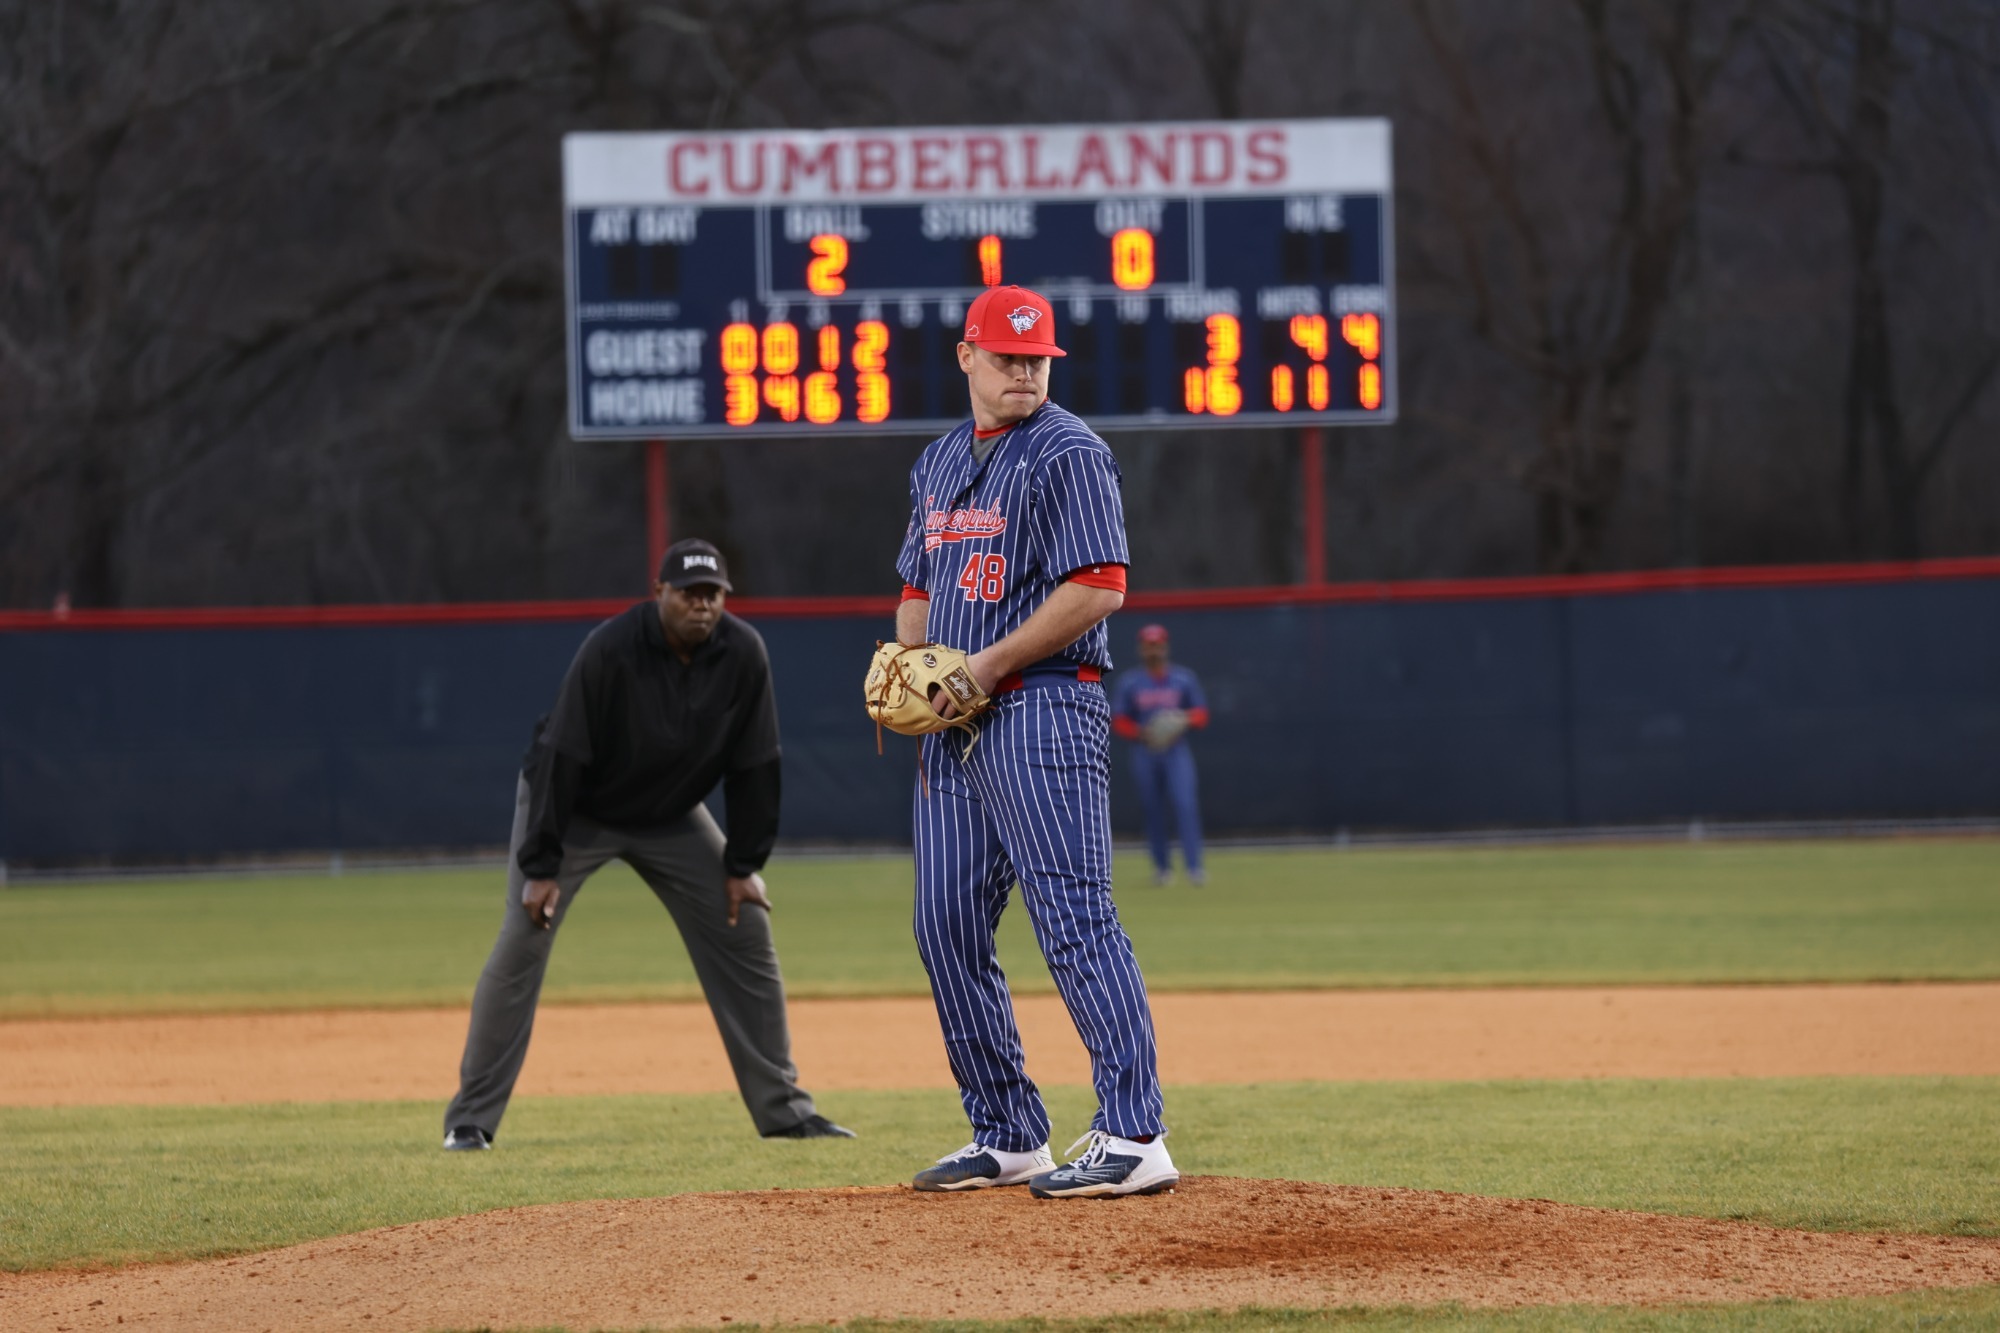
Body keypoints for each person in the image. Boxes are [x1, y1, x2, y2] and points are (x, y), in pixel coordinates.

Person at [891, 284, 1176, 1198]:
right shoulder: (937, 463)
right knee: (944, 924)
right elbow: (915, 583)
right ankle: (1010, 1130)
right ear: (967, 355)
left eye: (1037, 357)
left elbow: (1098, 588)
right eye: (1008, 355)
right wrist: (915, 663)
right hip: (956, 723)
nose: (1024, 370)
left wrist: (983, 666)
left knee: (1073, 913)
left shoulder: (1070, 452)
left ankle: (1135, 1133)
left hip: (1045, 704)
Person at [441, 538, 851, 1149]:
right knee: (524, 937)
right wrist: (542, 863)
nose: (701, 605)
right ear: (658, 593)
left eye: (712, 593)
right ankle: (470, 1121)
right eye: (688, 593)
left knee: (747, 928)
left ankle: (786, 1111)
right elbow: (564, 753)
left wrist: (743, 865)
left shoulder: (743, 653)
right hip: (574, 806)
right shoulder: (611, 647)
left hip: (668, 814)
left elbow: (756, 765)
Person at [1111, 624, 1210, 886]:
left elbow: (1201, 714)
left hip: (1176, 751)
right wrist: (1141, 732)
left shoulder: (1183, 679)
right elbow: (1118, 719)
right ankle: (1162, 868)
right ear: (1141, 648)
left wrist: (1182, 719)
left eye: (1157, 644)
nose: (1153, 649)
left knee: (1185, 805)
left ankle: (1194, 867)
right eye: (1148, 645)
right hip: (1146, 750)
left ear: (1165, 646)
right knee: (1153, 809)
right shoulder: (1131, 682)